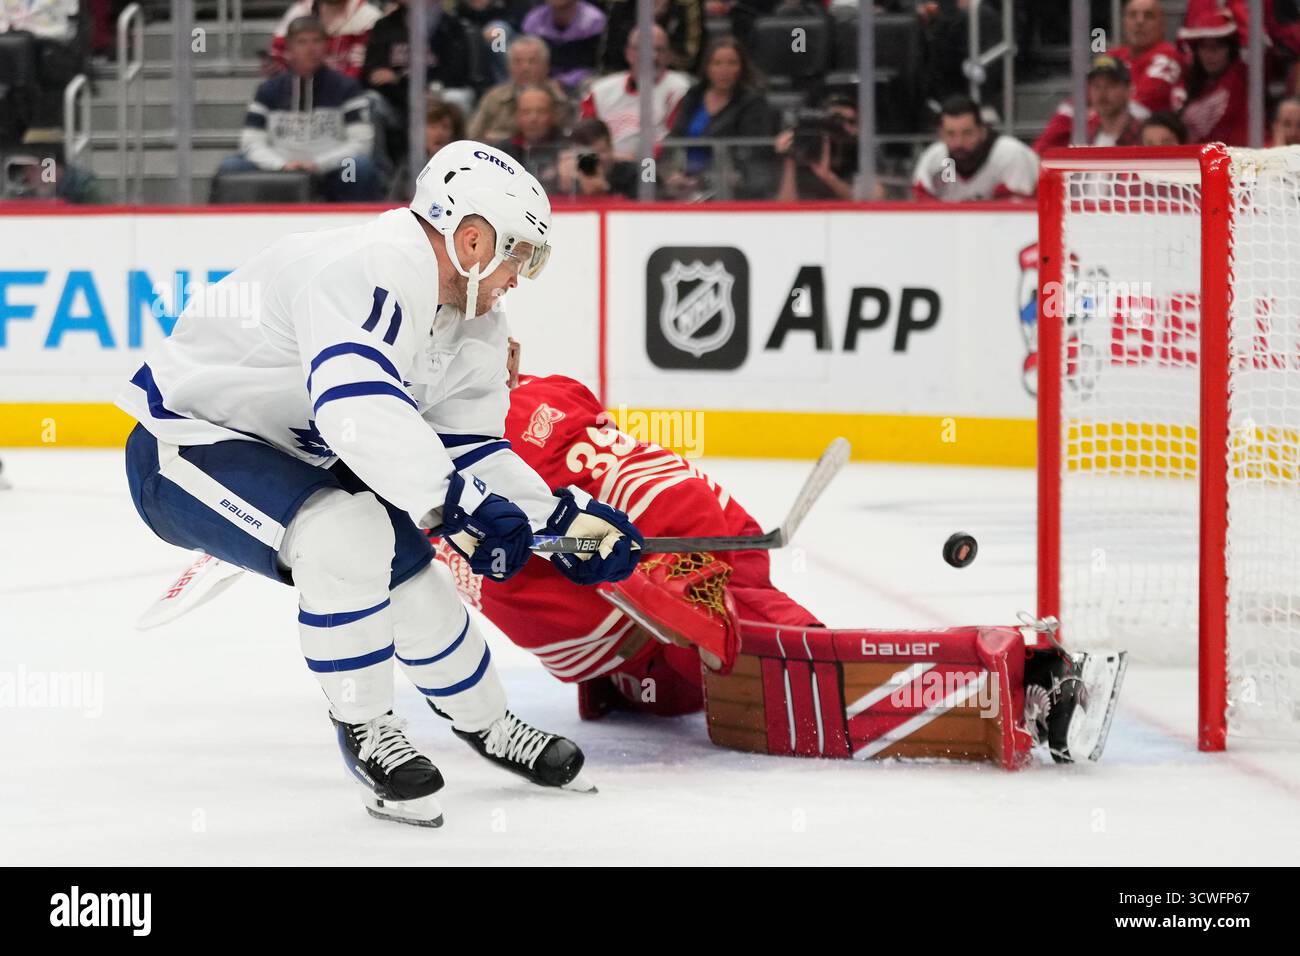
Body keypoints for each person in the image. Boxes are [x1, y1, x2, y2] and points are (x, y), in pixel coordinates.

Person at [121, 137, 647, 826]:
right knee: (348, 535)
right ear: (473, 236)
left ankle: (489, 725)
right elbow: (356, 406)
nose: (522, 274)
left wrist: (559, 523)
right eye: (521, 252)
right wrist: (460, 507)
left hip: (300, 457)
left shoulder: (478, 325)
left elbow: (467, 449)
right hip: (184, 447)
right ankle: (366, 727)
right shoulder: (367, 264)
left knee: (417, 585)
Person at [429, 373, 1121, 764]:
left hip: (675, 555)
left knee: (797, 671)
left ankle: (1027, 678)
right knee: (723, 689)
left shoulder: (478, 435)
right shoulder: (495, 421)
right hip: (629, 628)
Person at [219, 17, 383, 202]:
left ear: (326, 46)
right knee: (230, 167)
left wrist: (319, 164)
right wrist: (281, 165)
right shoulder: (268, 90)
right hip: (279, 168)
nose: (310, 48)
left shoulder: (346, 88)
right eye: (302, 42)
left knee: (358, 167)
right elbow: (250, 142)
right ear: (289, 49)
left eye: (316, 41)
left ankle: (357, 226)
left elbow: (361, 143)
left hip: (330, 170)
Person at [664, 35, 777, 200]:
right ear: (707, 67)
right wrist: (671, 173)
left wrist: (708, 178)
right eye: (717, 63)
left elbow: (751, 151)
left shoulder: (752, 102)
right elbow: (675, 138)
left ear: (741, 67)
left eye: (732, 63)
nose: (725, 70)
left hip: (731, 184)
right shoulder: (694, 96)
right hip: (686, 179)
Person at [580, 25, 692, 155]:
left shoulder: (681, 90)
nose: (653, 56)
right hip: (607, 166)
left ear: (668, 56)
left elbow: (672, 143)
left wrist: (632, 160)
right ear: (629, 53)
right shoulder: (599, 91)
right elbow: (584, 138)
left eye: (659, 50)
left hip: (653, 168)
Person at [912, 95, 1039, 202]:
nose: (959, 142)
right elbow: (922, 206)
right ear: (941, 134)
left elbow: (1016, 215)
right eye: (950, 134)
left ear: (982, 131)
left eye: (967, 133)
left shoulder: (1011, 155)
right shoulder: (935, 159)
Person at [467, 36, 572, 144]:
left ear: (546, 66)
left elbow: (569, 136)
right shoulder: (494, 97)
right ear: (508, 66)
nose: (525, 68)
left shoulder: (560, 96)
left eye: (532, 61)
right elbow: (473, 136)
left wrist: (499, 138)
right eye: (517, 62)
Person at [1033, 55, 1144, 153]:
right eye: (1096, 86)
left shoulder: (1144, 135)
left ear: (1128, 90)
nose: (1102, 93)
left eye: (1111, 85)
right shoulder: (1082, 138)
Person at [1173, 7, 1249, 146]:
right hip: (1199, 160)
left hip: (1239, 158)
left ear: (1230, 49)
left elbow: (1253, 36)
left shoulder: (1241, 76)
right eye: (1204, 47)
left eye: (1217, 47)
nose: (1210, 55)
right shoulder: (1192, 84)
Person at [774, 92, 860, 201]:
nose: (843, 126)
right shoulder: (801, 147)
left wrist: (828, 176)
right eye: (836, 121)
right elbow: (782, 208)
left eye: (851, 122)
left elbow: (873, 202)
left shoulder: (862, 152)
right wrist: (789, 159)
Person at [268, 0, 383, 79]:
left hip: (351, 93)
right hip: (301, 88)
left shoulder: (368, 16)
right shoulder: (300, 10)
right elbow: (277, 56)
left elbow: (359, 71)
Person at [1111, 0, 1183, 116]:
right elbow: (1081, 101)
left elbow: (1138, 109)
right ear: (1124, 24)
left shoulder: (1168, 57)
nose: (1140, 21)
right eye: (1133, 15)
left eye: (1149, 16)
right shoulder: (1113, 56)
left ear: (1163, 25)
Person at [491, 84, 568, 189]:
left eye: (541, 111)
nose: (533, 119)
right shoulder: (500, 152)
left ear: (553, 115)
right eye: (526, 112)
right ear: (517, 116)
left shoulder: (568, 148)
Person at [521, 0, 608, 92]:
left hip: (580, 85)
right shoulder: (534, 19)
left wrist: (563, 82)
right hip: (540, 82)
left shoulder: (594, 21)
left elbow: (594, 66)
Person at [599, 0, 704, 74]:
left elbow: (689, 57)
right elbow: (610, 52)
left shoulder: (686, 4)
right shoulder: (621, 3)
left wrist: (659, 56)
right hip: (623, 73)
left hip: (673, 74)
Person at [553, 117, 639, 198]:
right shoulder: (563, 175)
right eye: (586, 155)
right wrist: (562, 185)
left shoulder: (631, 175)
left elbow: (640, 210)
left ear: (611, 149)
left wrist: (605, 190)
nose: (595, 160)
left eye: (601, 152)